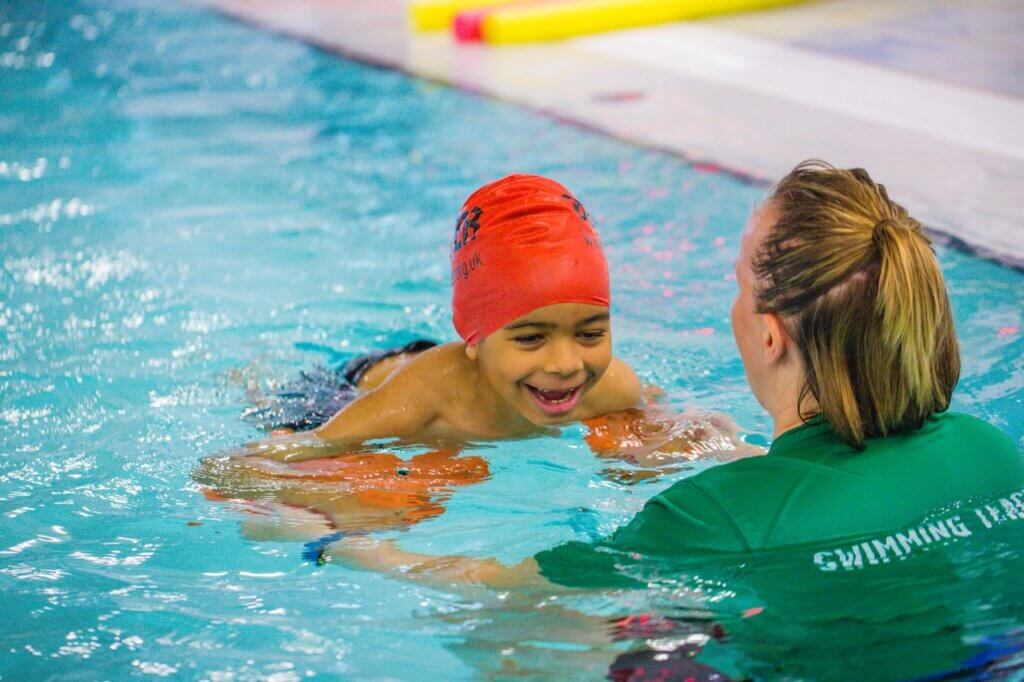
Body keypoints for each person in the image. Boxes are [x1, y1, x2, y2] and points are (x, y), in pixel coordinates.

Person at [320, 160, 1023, 592]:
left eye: (738, 282)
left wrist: (358, 548)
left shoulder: (716, 514)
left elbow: (508, 589)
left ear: (769, 334)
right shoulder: (995, 453)